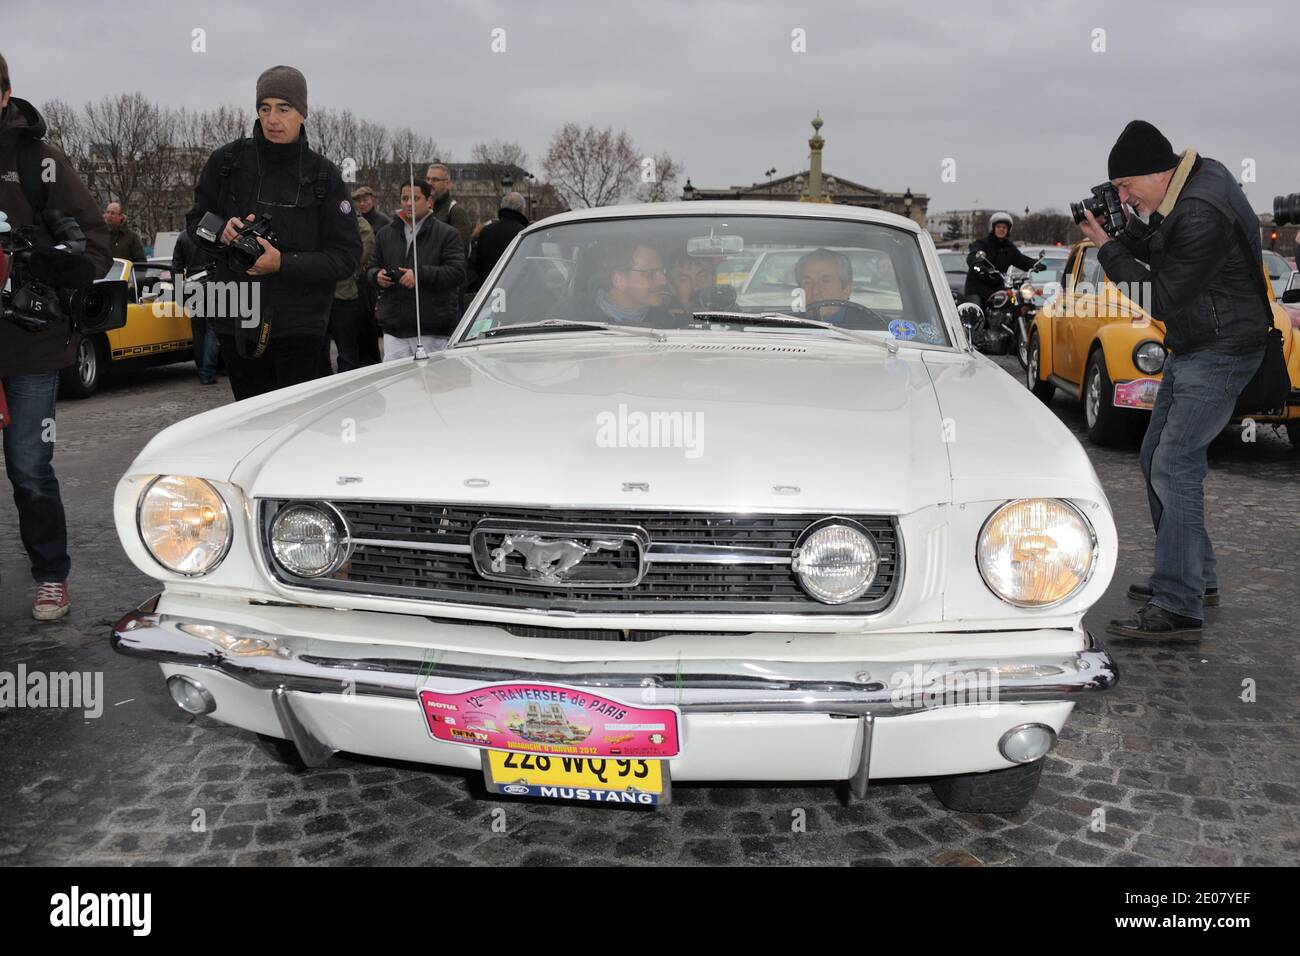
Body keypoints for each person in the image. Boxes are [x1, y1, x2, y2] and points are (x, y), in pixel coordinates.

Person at [1081, 122, 1272, 643]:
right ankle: (1194, 575)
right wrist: (1125, 231)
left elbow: (1160, 297)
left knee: (1174, 463)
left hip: (1221, 348)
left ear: (1159, 172)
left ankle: (1179, 604)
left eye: (1126, 186)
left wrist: (1107, 247)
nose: (1123, 197)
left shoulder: (1200, 210)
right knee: (1156, 458)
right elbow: (1167, 245)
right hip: (1198, 344)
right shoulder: (1194, 183)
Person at [0, 51, 112, 621]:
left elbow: (96, 243)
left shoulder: (39, 161)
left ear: (5, 94)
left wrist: (48, 264)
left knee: (28, 466)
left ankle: (50, 574)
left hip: (29, 342)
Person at [183, 65, 361, 401]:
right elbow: (194, 224)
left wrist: (283, 263)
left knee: (295, 430)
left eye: (284, 108)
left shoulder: (324, 176)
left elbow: (346, 258)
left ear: (303, 114)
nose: (272, 119)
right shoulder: (227, 163)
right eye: (264, 108)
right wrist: (221, 230)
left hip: (301, 325)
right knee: (251, 428)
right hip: (235, 316)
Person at [367, 179, 465, 359]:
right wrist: (376, 276)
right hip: (394, 330)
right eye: (404, 198)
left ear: (429, 201)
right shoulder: (384, 234)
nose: (408, 203)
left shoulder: (448, 234)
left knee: (432, 386)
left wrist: (419, 275)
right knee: (395, 384)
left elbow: (457, 272)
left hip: (432, 329)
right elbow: (372, 266)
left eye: (415, 198)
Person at [321, 212, 374, 373]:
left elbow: (360, 253)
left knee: (348, 354)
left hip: (344, 296)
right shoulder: (318, 218)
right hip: (318, 297)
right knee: (318, 355)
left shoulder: (358, 223)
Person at [172, 228, 220, 384]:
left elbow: (177, 267)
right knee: (213, 329)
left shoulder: (183, 237)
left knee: (198, 330)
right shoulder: (211, 233)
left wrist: (179, 291)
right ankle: (208, 371)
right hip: (211, 282)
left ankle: (202, 369)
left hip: (192, 286)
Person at [963, 211, 1035, 307]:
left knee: (1012, 305)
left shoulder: (1009, 248)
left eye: (1004, 227)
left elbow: (1022, 260)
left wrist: (1036, 264)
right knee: (975, 310)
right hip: (977, 287)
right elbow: (973, 255)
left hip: (997, 287)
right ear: (993, 228)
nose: (1001, 229)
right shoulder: (982, 243)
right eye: (998, 227)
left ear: (1008, 230)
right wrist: (978, 264)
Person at [468, 191, 528, 294]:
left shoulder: (485, 232)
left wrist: (481, 289)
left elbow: (472, 266)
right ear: (522, 210)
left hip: (488, 293)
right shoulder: (525, 234)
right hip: (517, 293)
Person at [796, 248, 853, 322]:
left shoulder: (868, 327)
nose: (815, 291)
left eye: (825, 281)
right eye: (807, 282)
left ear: (846, 290)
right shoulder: (785, 325)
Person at [666, 247, 718, 312]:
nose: (695, 287)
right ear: (672, 287)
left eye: (702, 276)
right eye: (684, 279)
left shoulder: (732, 318)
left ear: (714, 278)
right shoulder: (663, 321)